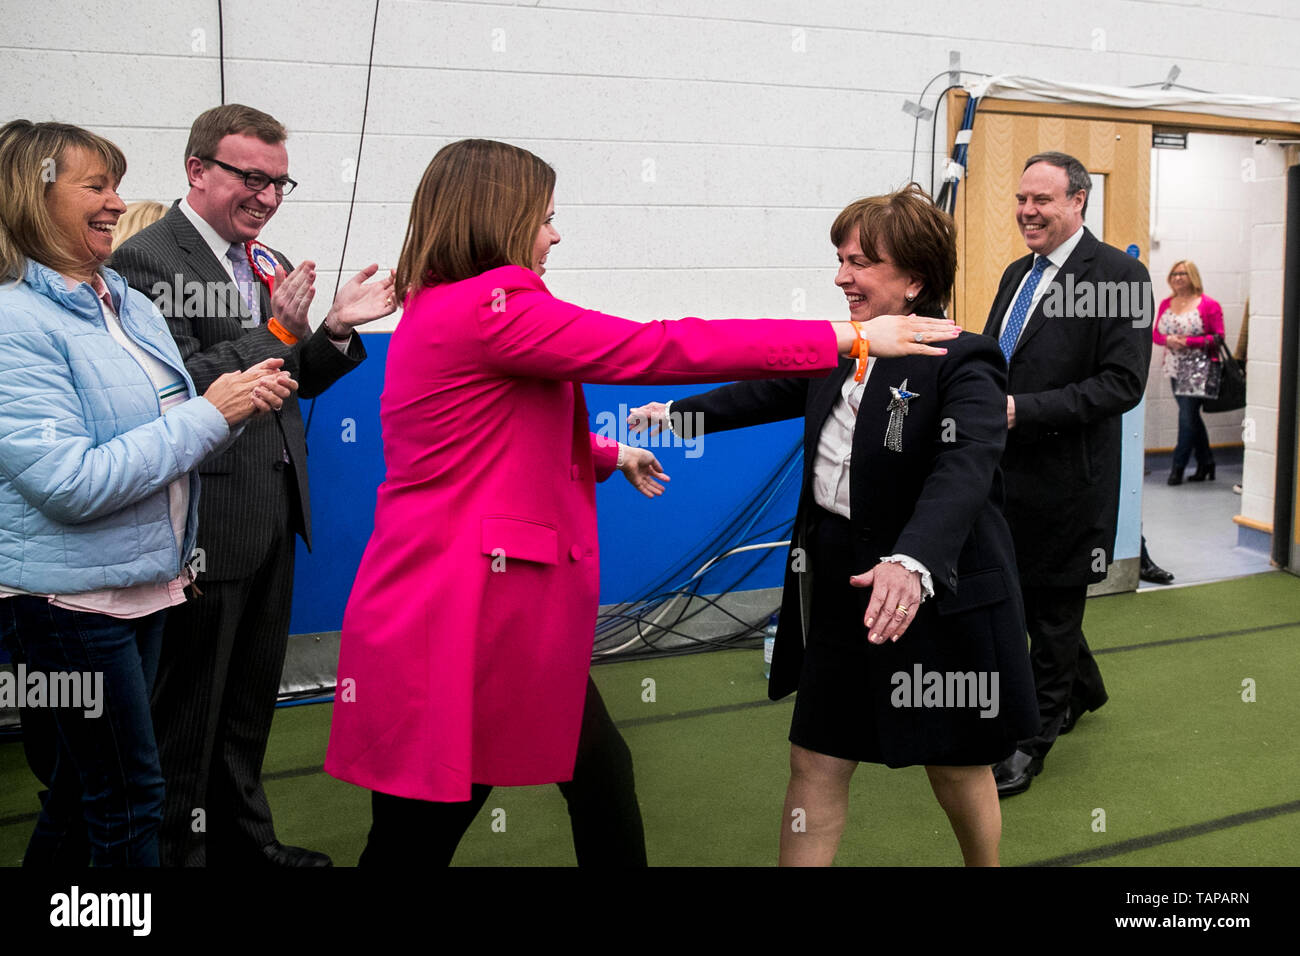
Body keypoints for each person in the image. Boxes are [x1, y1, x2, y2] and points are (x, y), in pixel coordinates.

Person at [323, 139, 961, 866]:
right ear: (498, 218)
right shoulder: (492, 307)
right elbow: (653, 347)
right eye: (545, 218)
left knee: (591, 775)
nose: (554, 234)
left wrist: (607, 452)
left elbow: (479, 431)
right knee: (427, 822)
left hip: (466, 602)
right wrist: (848, 338)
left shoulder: (445, 305)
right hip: (464, 607)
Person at [629, 184, 1038, 866]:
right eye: (840, 259)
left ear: (913, 280)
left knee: (957, 763)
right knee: (815, 761)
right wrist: (676, 417)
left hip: (935, 590)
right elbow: (762, 392)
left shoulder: (964, 358)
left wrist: (911, 562)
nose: (841, 276)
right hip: (844, 583)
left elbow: (965, 467)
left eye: (860, 262)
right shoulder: (844, 348)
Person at [0, 119, 295, 866]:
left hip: (142, 585)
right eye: (96, 185)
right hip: (72, 604)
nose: (116, 201)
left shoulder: (121, 302)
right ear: (32, 199)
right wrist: (213, 409)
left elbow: (174, 424)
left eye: (115, 184)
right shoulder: (14, 321)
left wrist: (286, 352)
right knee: (130, 797)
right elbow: (69, 483)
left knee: (81, 795)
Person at [109, 104, 396, 867]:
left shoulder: (262, 262)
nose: (266, 196)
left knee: (245, 704)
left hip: (272, 513)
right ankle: (177, 856)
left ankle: (244, 844)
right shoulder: (148, 261)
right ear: (197, 170)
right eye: (250, 177)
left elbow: (286, 383)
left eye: (278, 182)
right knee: (188, 715)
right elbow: (167, 392)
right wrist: (272, 334)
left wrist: (329, 331)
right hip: (205, 523)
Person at [982, 152, 1152, 796]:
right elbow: (1003, 357)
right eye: (1022, 198)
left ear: (1078, 201)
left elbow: (1121, 383)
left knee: (1051, 611)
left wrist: (1020, 411)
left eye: (1042, 200)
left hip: (1067, 480)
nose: (1028, 211)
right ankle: (1084, 688)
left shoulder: (1119, 276)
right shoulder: (1015, 274)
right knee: (1027, 597)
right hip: (1003, 475)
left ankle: (1032, 739)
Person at [1153, 259, 1224, 485]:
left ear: (1192, 276)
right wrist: (1168, 340)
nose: (1177, 278)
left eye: (1182, 273)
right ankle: (1206, 462)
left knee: (1186, 417)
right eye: (1174, 274)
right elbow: (1155, 333)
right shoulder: (1166, 303)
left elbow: (1218, 337)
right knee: (1191, 418)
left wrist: (1189, 342)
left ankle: (1178, 467)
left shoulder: (1208, 304)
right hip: (1175, 368)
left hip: (1200, 368)